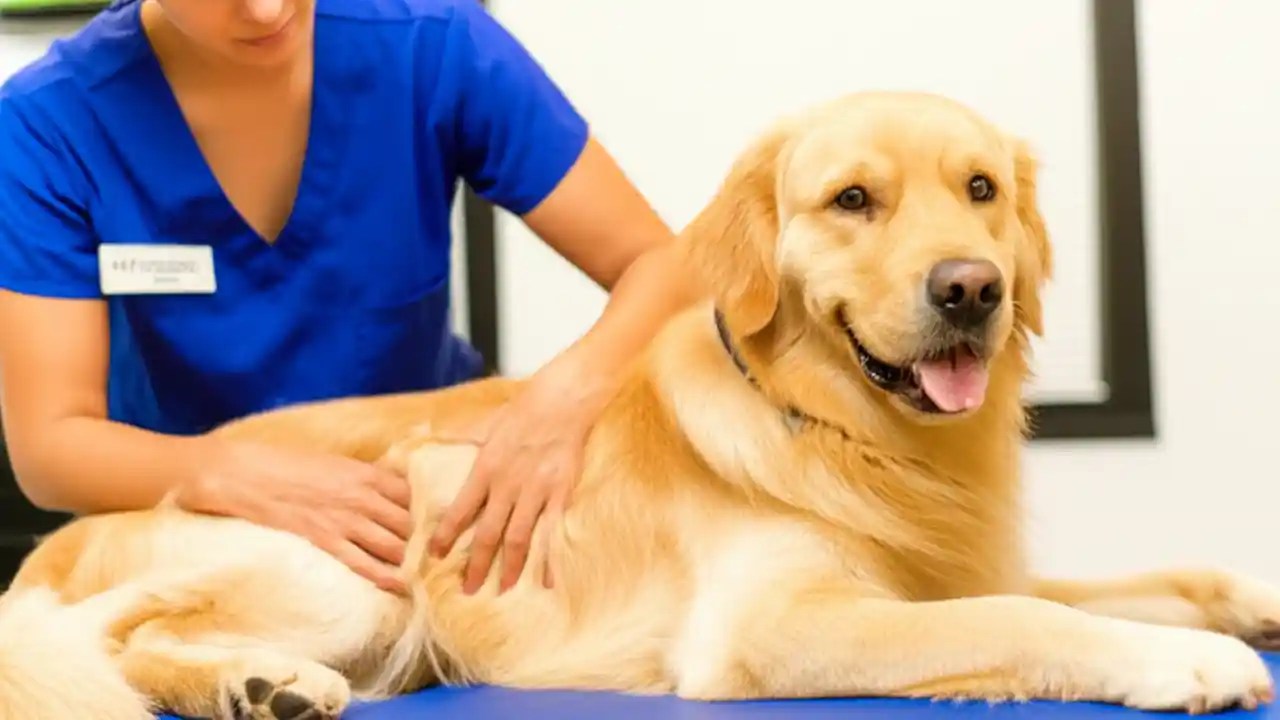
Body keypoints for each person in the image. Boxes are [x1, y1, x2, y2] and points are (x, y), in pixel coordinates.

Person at [0, 0, 697, 595]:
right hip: (198, 541)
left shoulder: (430, 45)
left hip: (429, 529)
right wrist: (218, 472)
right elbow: (51, 447)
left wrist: (564, 396)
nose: (266, 10)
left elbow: (667, 265)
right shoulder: (46, 125)